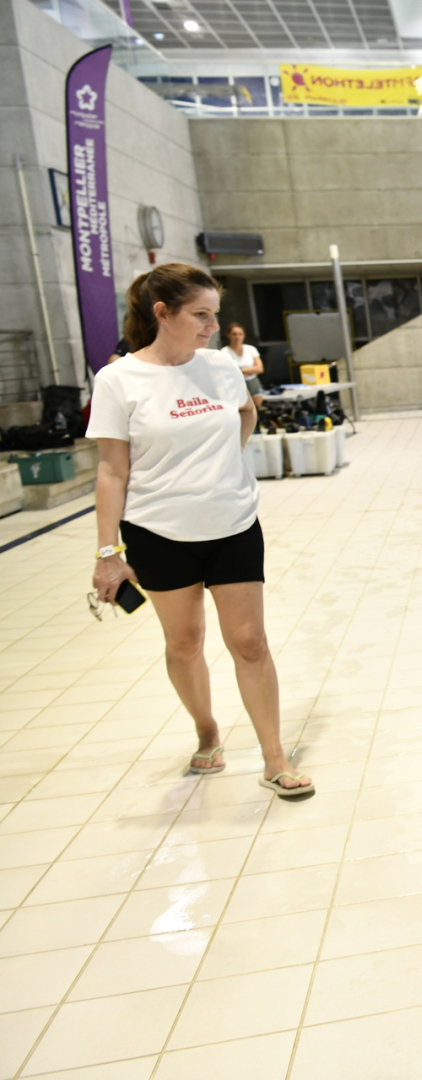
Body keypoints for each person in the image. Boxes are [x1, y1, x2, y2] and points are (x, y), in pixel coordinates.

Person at [88, 263, 312, 797]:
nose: (213, 325)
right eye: (201, 315)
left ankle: (274, 757)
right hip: (158, 532)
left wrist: (222, 467)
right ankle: (207, 728)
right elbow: (111, 471)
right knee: (185, 643)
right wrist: (107, 552)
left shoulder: (219, 367)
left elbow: (246, 415)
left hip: (232, 524)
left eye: (215, 314)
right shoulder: (118, 379)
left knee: (250, 642)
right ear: (162, 314)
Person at [223, 322, 264, 408]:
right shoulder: (224, 352)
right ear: (228, 335)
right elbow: (227, 372)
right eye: (234, 334)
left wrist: (240, 370)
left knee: (258, 409)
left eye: (240, 334)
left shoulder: (250, 349)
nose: (237, 337)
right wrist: (251, 369)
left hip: (253, 382)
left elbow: (260, 368)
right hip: (236, 384)